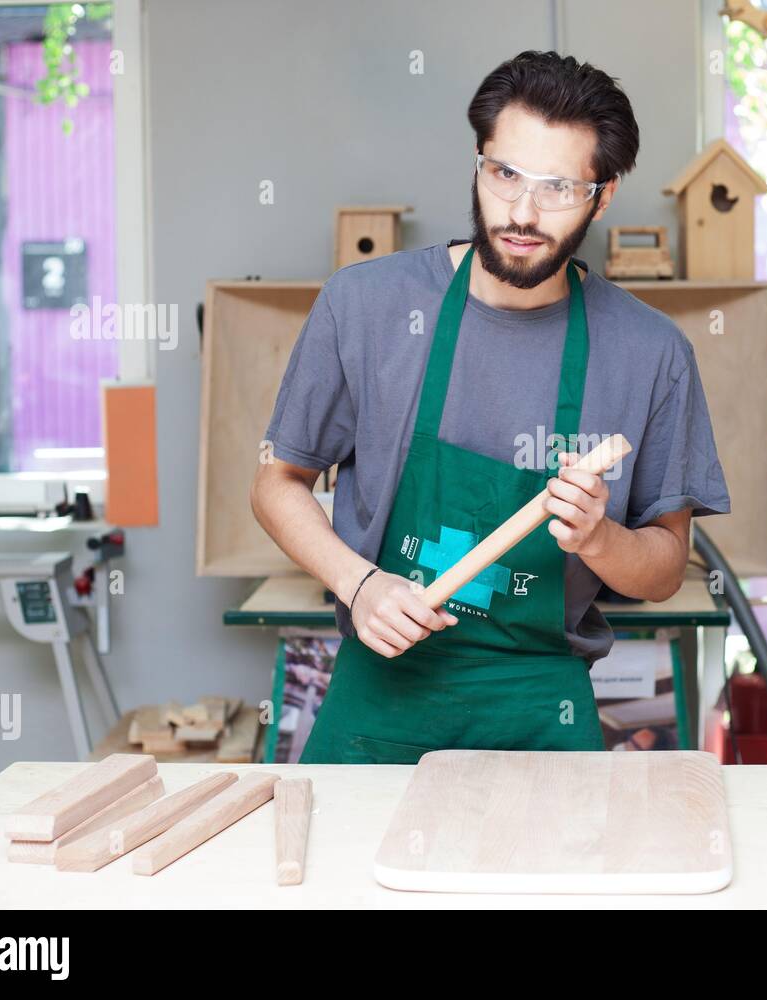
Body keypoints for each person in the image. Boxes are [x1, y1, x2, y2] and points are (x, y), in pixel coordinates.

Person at [252, 50, 731, 764]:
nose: (523, 213)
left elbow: (665, 568)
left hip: (542, 706)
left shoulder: (650, 352)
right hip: (381, 687)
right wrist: (360, 584)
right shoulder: (365, 306)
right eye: (505, 175)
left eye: (560, 187)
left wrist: (601, 538)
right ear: (478, 163)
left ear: (603, 197)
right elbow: (275, 483)